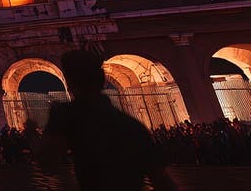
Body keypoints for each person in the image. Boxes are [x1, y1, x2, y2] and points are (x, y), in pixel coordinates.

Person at [31, 49, 177, 191]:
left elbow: (48, 165)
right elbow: (162, 180)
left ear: (69, 81)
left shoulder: (68, 115)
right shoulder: (132, 125)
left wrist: (32, 133)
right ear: (102, 80)